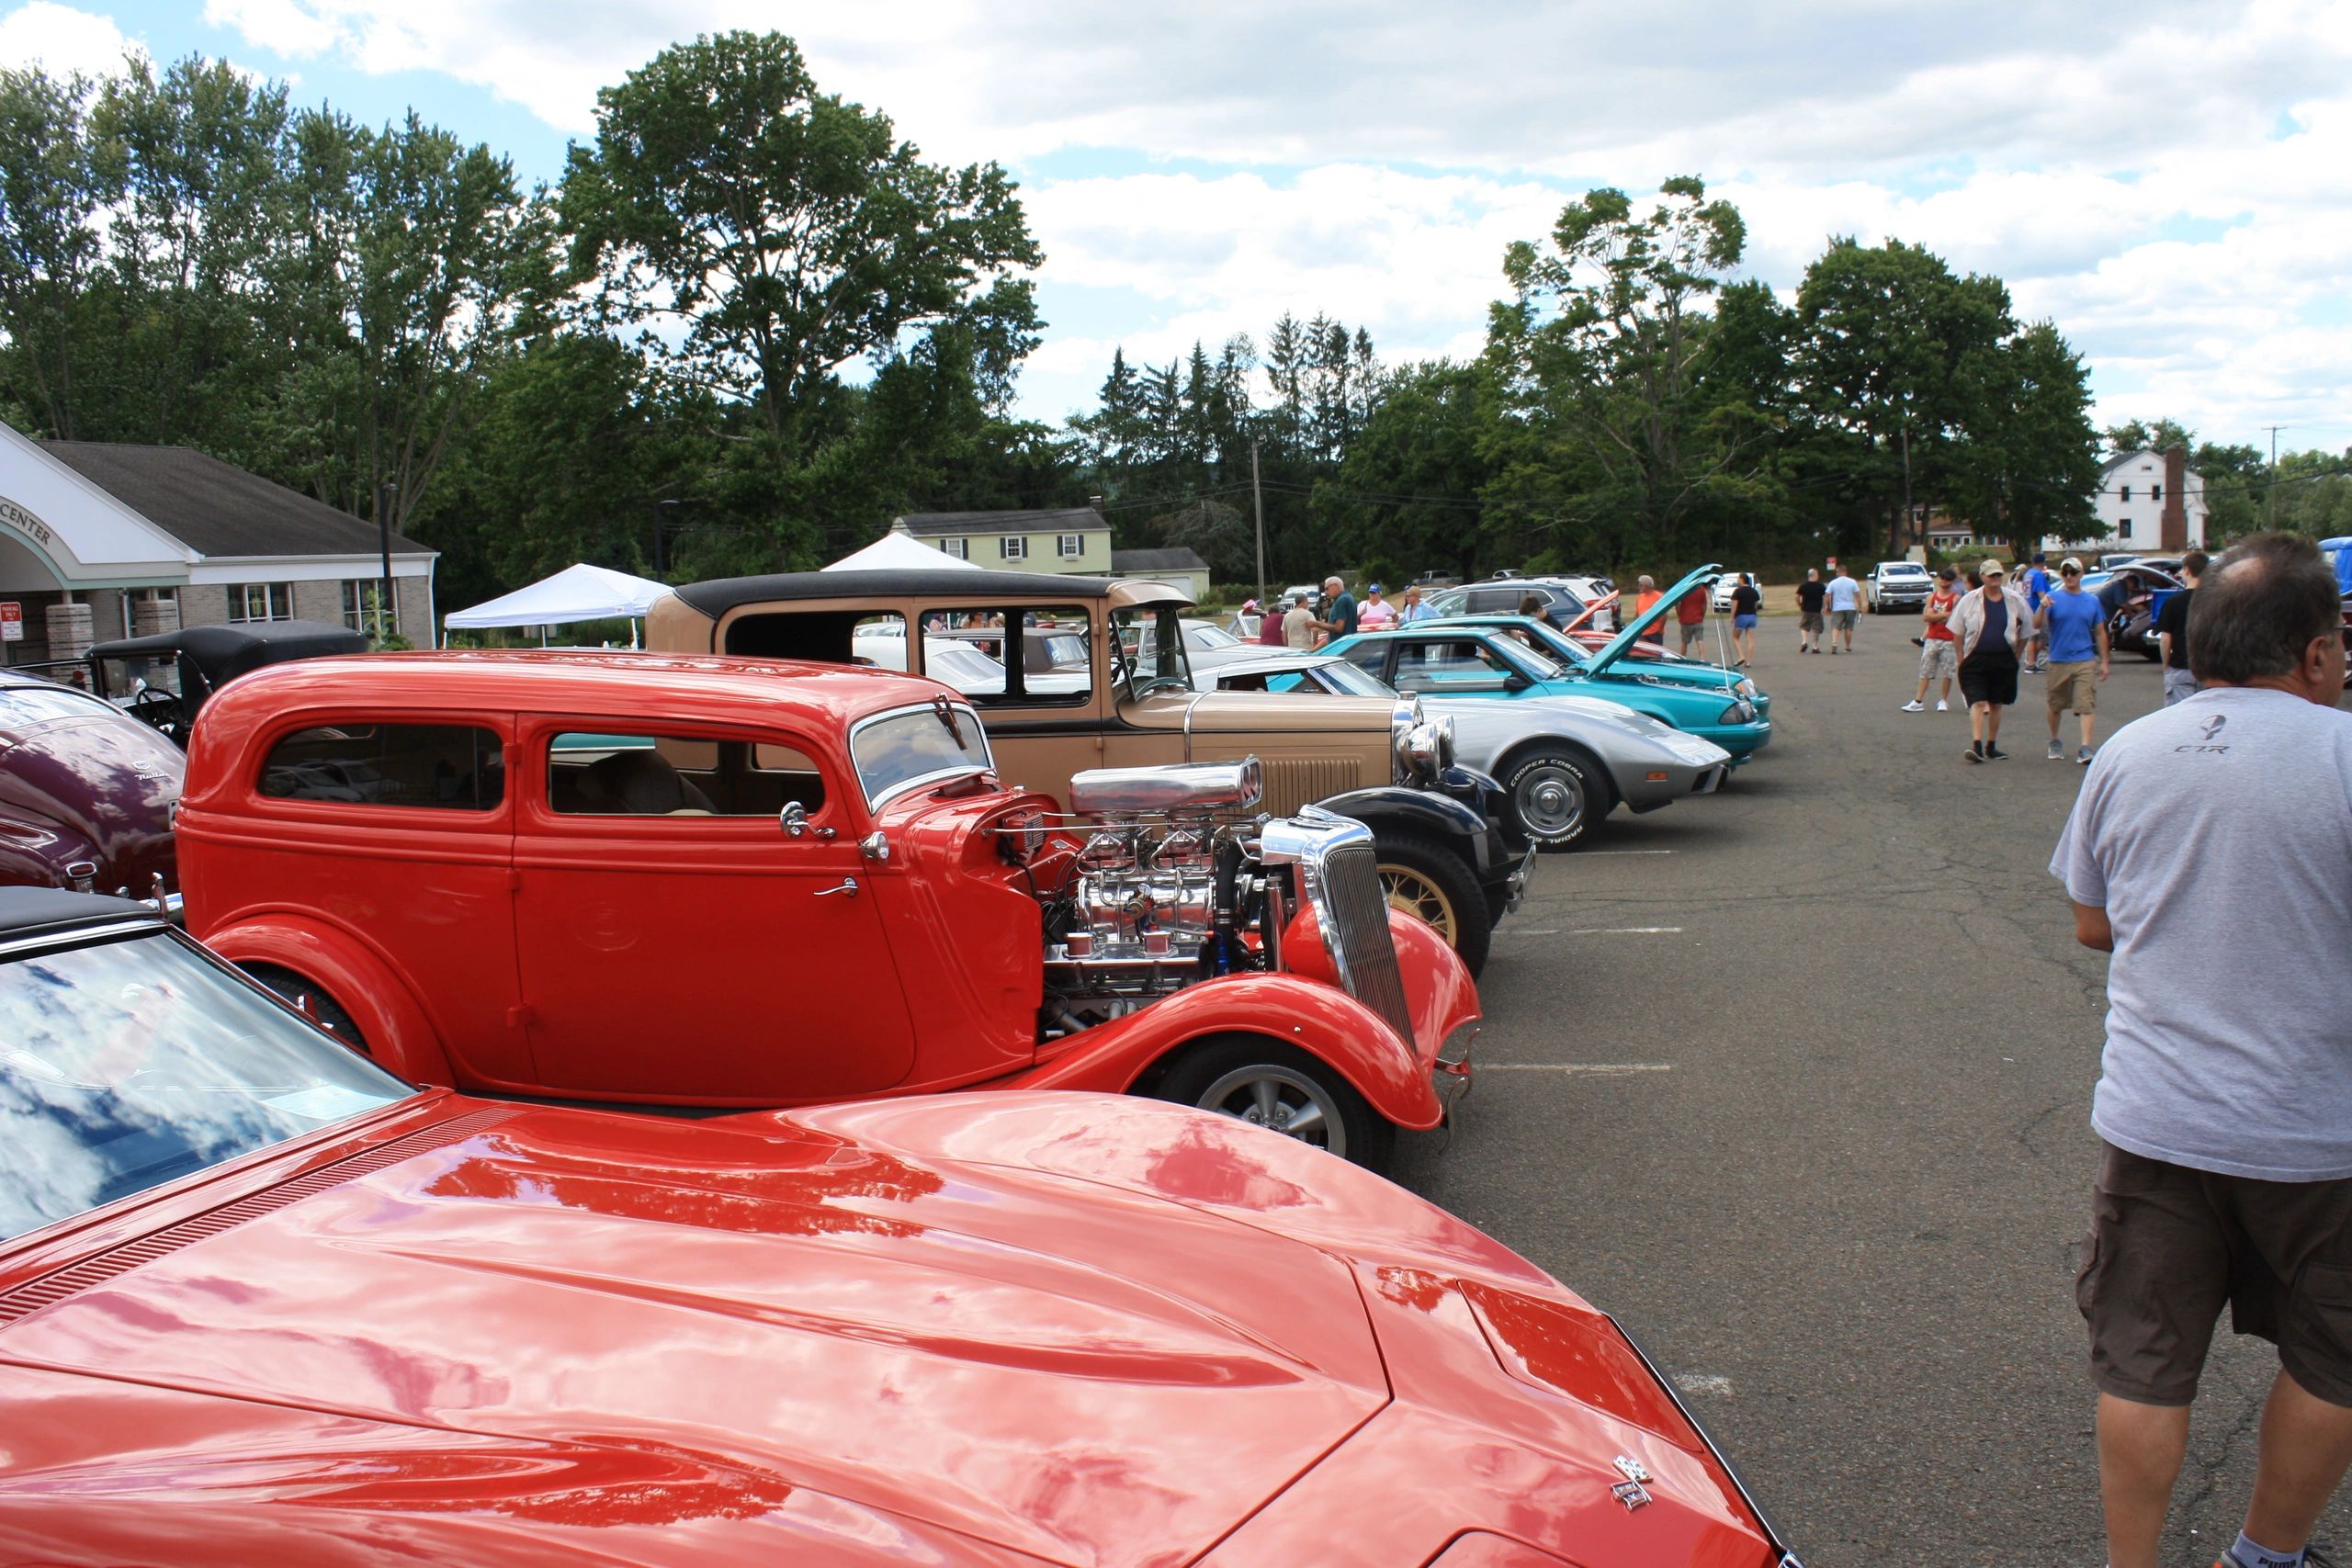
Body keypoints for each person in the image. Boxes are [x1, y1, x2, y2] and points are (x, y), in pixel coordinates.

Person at [2052, 533, 2352, 1568]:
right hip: (2319, 1130)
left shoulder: (2129, 753)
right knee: (2334, 1356)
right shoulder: (2344, 754)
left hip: (2159, 1119)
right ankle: (2262, 1556)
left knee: (2143, 1361)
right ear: (2316, 651)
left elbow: (2092, 922)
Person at [1951, 558, 2027, 761]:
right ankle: (1976, 745)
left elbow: (2027, 630)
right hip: (1975, 658)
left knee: (1996, 703)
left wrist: (2017, 655)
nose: (1996, 578)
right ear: (1982, 576)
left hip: (2003, 658)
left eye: (1998, 575)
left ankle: (1991, 746)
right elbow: (1957, 632)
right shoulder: (1969, 600)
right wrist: (1961, 659)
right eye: (1991, 575)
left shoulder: (2014, 599)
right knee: (1977, 701)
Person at [2040, 557, 2110, 763]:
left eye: (2073, 572)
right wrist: (2042, 607)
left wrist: (2104, 661)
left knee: (2086, 703)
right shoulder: (2053, 598)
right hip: (2058, 659)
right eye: (2065, 573)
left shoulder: (2092, 601)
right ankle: (2055, 740)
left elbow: (2100, 632)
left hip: (2084, 658)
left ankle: (2085, 747)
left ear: (2081, 574)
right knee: (2055, 704)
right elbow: (2037, 625)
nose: (2069, 577)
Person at [1902, 566, 1962, 712]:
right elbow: (1926, 617)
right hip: (1932, 638)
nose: (1944, 581)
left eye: (1948, 579)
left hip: (1948, 639)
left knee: (1948, 672)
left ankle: (1943, 700)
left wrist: (1936, 615)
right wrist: (1943, 615)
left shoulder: (1955, 598)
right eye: (1942, 578)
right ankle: (1918, 700)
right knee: (1925, 670)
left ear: (1952, 581)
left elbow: (1954, 617)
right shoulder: (1932, 597)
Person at [2154, 549, 2208, 705]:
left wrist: (2166, 665)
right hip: (2207, 670)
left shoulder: (2173, 603)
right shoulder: (2214, 602)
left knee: (2181, 714)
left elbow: (2165, 639)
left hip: (2181, 667)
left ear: (2187, 570)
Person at [2021, 553, 2053, 672]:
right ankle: (2032, 661)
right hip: (2037, 609)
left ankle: (2031, 663)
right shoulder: (2038, 575)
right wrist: (2047, 607)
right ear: (2043, 563)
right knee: (2044, 636)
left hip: (2028, 607)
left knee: (2032, 637)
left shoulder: (2028, 574)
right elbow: (2041, 594)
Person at [1825, 564, 1861, 654]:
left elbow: (1827, 595)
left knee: (1835, 626)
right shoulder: (1852, 582)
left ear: (1840, 572)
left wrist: (1827, 606)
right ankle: (1847, 646)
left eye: (1837, 572)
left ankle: (1834, 643)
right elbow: (1857, 595)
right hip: (1850, 607)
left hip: (1837, 608)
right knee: (1848, 628)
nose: (1836, 573)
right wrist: (1860, 607)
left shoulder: (1833, 582)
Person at [1311, 575, 1358, 644]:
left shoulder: (1341, 600)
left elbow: (1339, 628)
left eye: (1327, 589)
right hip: (1347, 644)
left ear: (1335, 586)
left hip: (1341, 646)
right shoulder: (1348, 597)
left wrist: (1316, 624)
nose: (1325, 592)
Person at [1728, 573, 1759, 667]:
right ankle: (1749, 662)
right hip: (1752, 616)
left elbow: (1734, 606)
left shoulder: (1738, 591)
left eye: (1738, 578)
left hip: (1741, 616)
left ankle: (1741, 656)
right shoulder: (1754, 591)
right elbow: (1755, 605)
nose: (1737, 580)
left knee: (1735, 637)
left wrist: (1732, 617)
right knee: (1750, 639)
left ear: (1742, 579)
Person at [1796, 569, 1827, 654]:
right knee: (1816, 628)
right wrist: (1824, 607)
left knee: (1804, 626)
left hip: (1806, 609)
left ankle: (1804, 642)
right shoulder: (1821, 586)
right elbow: (1826, 597)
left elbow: (1797, 596)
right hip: (1817, 610)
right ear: (1815, 575)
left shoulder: (1803, 585)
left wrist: (1800, 605)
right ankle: (1815, 646)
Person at [1675, 580, 1709, 655]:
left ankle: (1683, 658)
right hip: (1698, 619)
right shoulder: (1701, 590)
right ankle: (1702, 658)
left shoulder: (1684, 590)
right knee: (1700, 640)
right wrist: (1702, 615)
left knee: (1684, 642)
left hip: (1685, 619)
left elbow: (1677, 604)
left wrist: (1679, 615)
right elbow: (1704, 605)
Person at [1632, 575, 1665, 644]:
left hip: (1655, 633)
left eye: (1641, 585)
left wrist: (1659, 630)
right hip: (1642, 633)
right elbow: (1637, 614)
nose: (1639, 587)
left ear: (1647, 585)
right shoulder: (1639, 597)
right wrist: (1634, 628)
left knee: (1656, 650)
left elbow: (1664, 616)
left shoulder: (1659, 597)